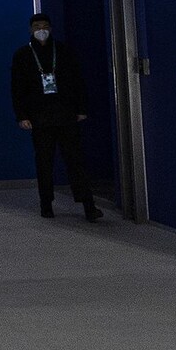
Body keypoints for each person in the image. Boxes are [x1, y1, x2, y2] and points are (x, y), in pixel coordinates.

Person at [12, 13, 103, 222]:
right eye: (36, 26)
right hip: (39, 117)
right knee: (44, 161)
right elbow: (17, 89)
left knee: (76, 161)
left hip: (65, 114)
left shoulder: (63, 51)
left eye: (44, 25)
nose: (41, 29)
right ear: (30, 30)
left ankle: (88, 205)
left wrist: (81, 108)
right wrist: (22, 116)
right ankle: (46, 204)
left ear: (51, 28)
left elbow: (78, 81)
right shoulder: (23, 55)